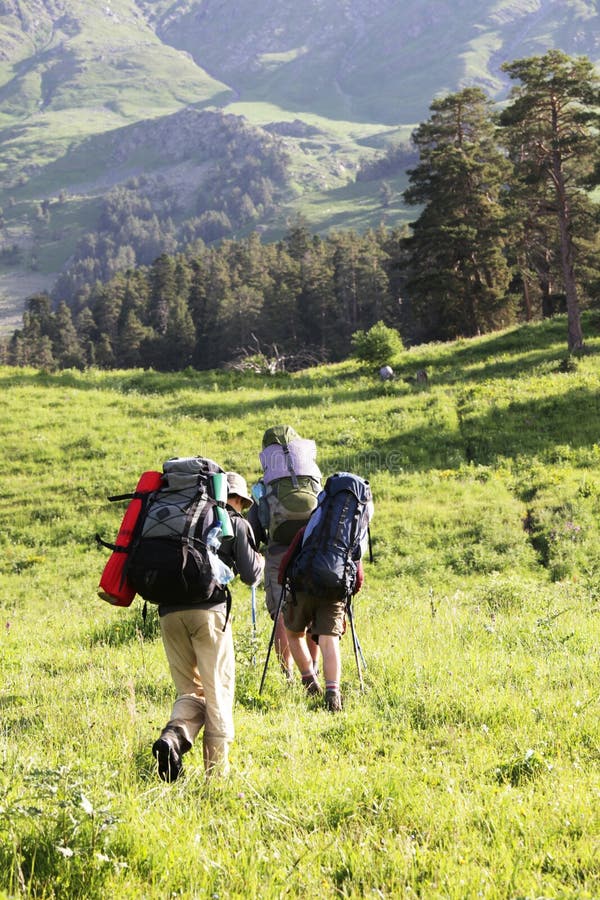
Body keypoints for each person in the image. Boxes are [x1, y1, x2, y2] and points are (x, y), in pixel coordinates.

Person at [152, 471, 264, 781]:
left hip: (168, 612)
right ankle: (216, 777)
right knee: (218, 692)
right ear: (237, 499)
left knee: (189, 689)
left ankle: (173, 738)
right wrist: (261, 559)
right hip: (209, 613)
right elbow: (252, 574)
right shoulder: (232, 520)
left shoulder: (181, 516)